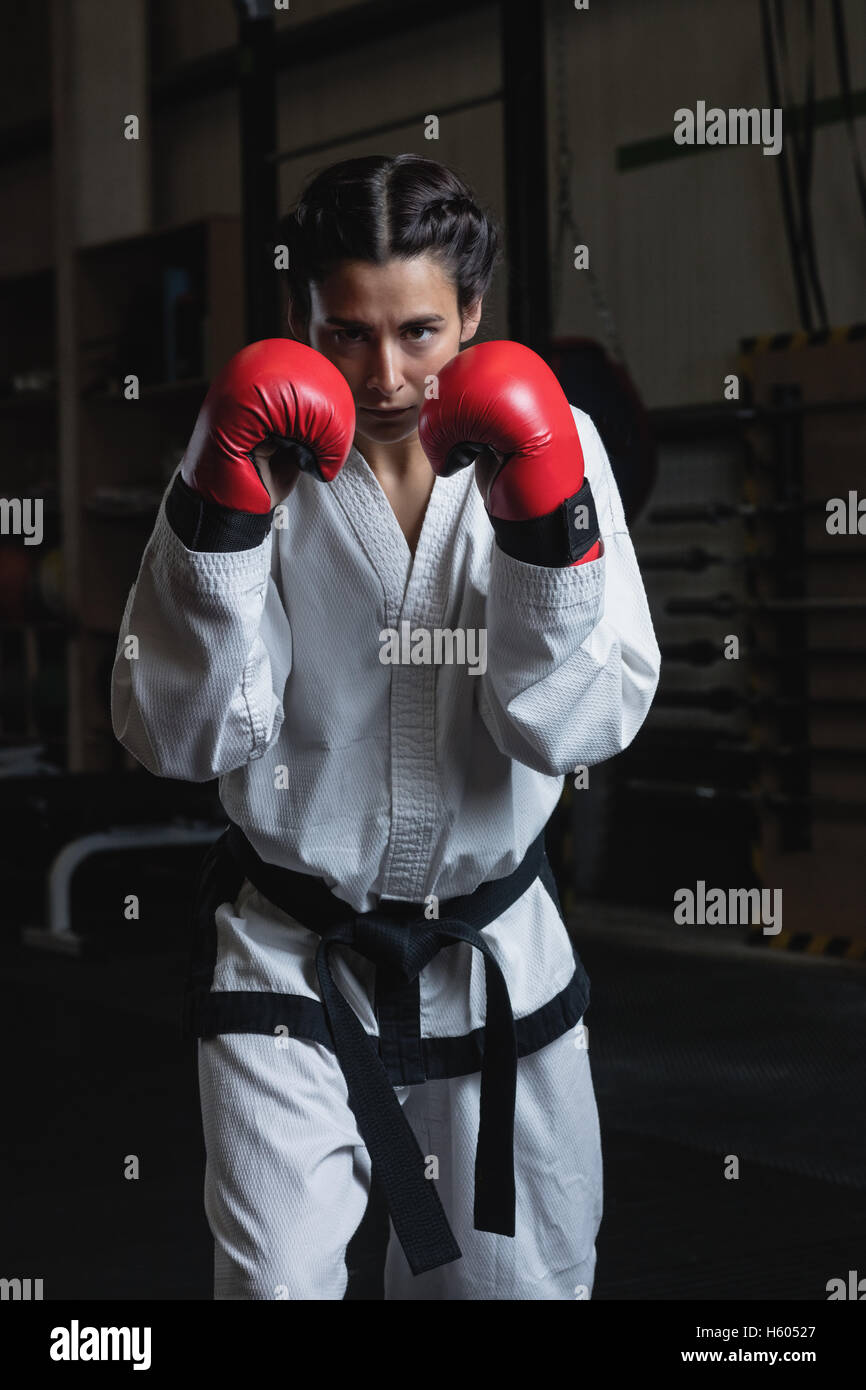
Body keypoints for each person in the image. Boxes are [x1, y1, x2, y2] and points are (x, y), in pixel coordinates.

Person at [110, 153, 661, 1301]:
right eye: (345, 333)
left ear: (474, 312)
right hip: (291, 954)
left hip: (492, 958)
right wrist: (219, 515)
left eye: (419, 332)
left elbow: (574, 723)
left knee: (519, 1293)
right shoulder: (248, 452)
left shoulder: (560, 447)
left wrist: (540, 523)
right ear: (303, 320)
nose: (386, 375)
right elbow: (178, 734)